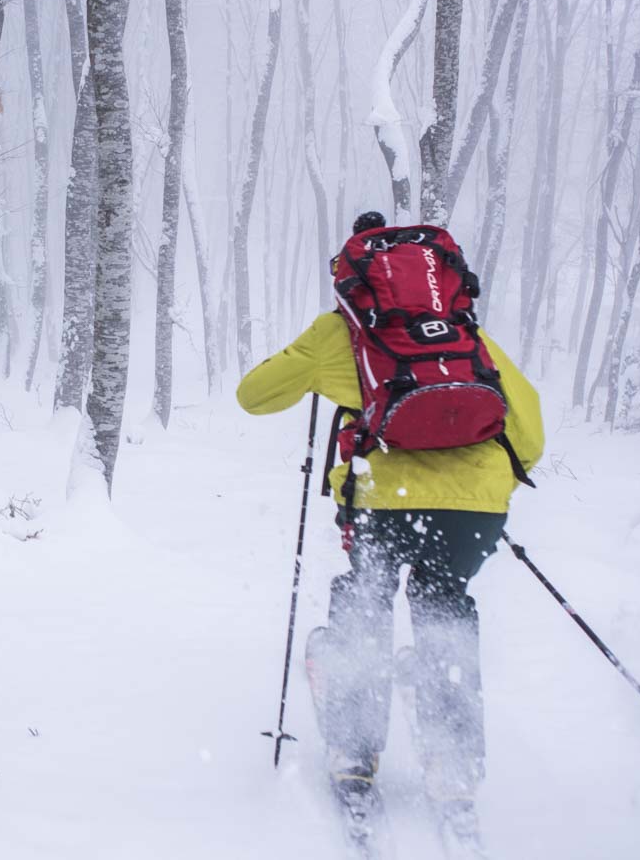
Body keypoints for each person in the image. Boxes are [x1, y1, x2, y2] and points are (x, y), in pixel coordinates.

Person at [236, 210, 544, 846]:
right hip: (476, 509)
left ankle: (353, 754)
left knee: (365, 602)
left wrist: (320, 369)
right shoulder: (464, 335)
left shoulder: (341, 335)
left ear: (356, 280)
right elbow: (529, 425)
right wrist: (480, 489)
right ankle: (453, 766)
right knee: (445, 610)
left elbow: (254, 395)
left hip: (387, 506)